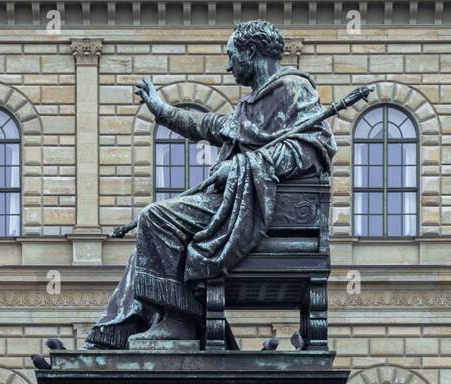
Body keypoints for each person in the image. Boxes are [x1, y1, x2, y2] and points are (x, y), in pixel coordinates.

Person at [84, 20, 335, 349]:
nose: (229, 65)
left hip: (262, 208)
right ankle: (125, 329)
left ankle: (181, 322)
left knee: (156, 218)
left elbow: (311, 150)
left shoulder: (292, 89)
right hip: (238, 199)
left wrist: (241, 166)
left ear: (249, 51)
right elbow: (212, 126)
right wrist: (162, 111)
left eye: (232, 55)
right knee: (147, 240)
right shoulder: (252, 104)